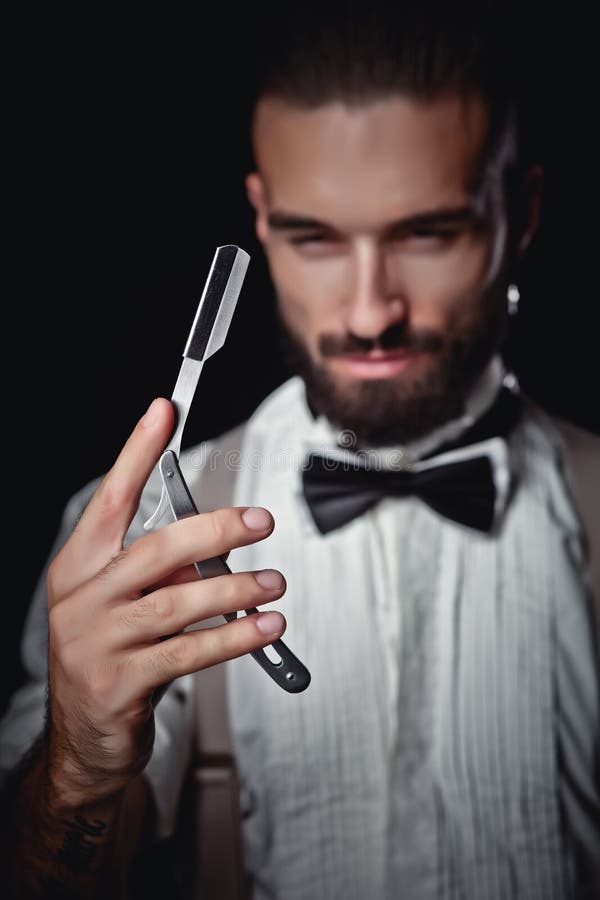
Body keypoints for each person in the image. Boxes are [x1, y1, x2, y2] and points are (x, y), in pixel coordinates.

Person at [1, 4, 599, 898]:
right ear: (264, 219)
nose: (368, 313)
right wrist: (76, 773)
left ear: (521, 213)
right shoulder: (145, 538)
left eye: (427, 233)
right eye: (315, 238)